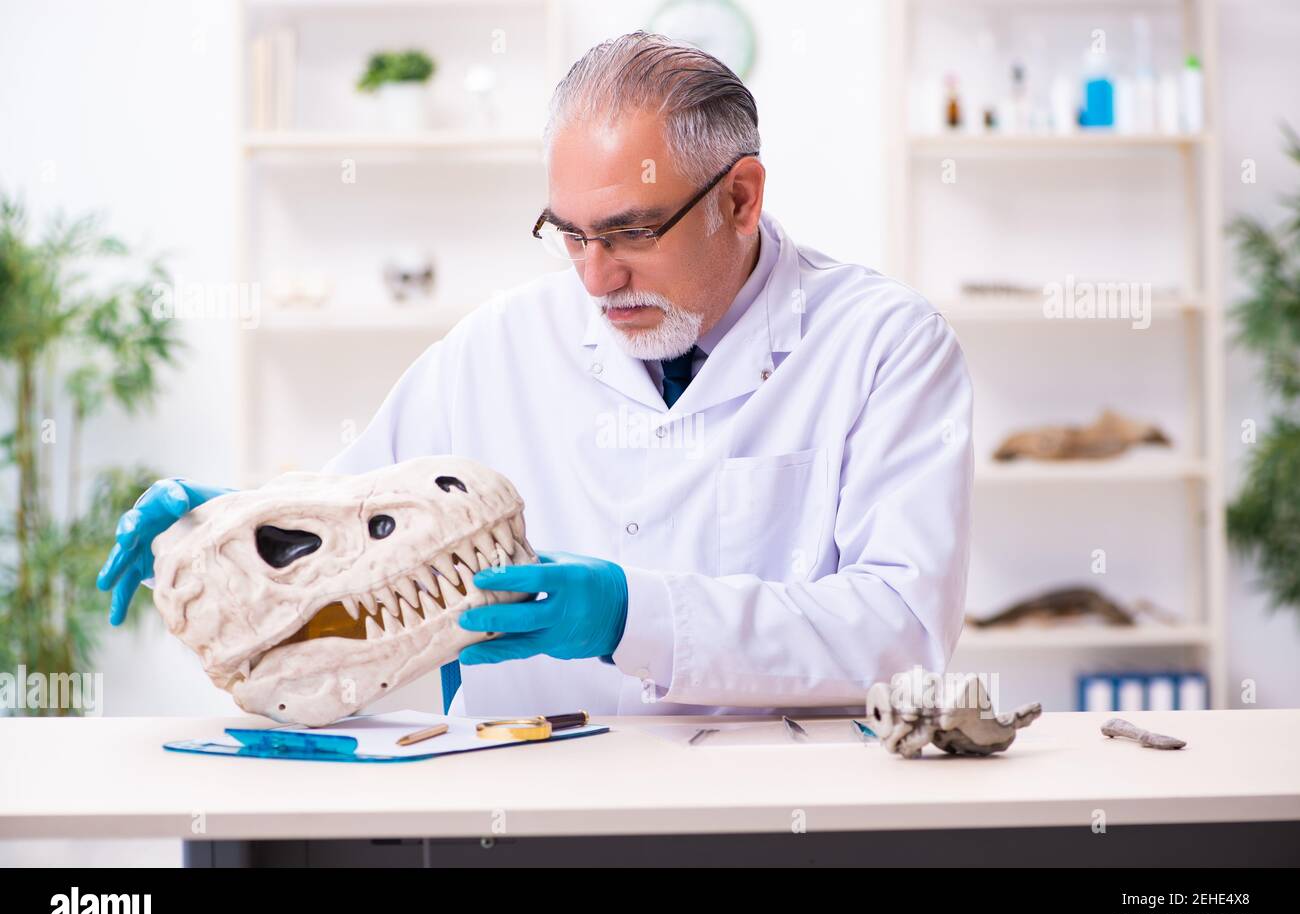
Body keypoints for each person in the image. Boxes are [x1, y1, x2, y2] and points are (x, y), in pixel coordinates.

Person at [98, 31, 973, 718]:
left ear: (740, 199)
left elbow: (902, 630)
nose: (596, 279)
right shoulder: (498, 345)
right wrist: (235, 524)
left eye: (632, 234)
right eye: (572, 235)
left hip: (774, 818)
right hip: (525, 814)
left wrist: (637, 616)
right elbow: (354, 526)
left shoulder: (882, 344)